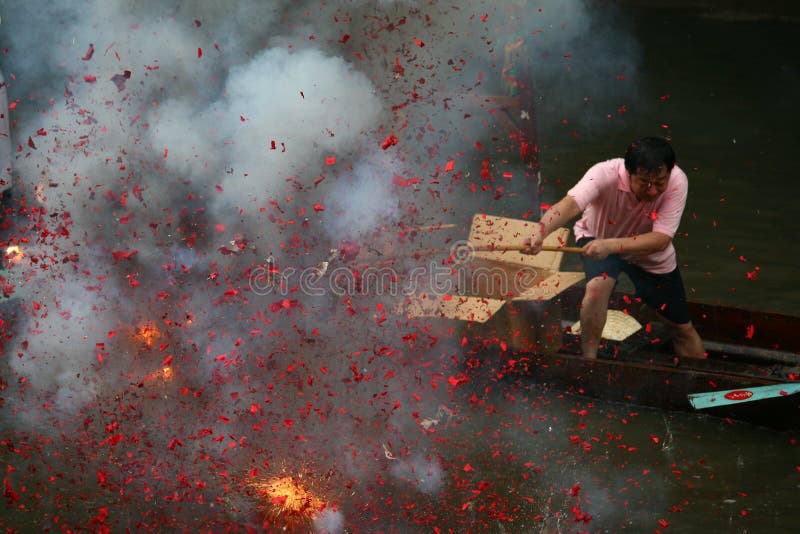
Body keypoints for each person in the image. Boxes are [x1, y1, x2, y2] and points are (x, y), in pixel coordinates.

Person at [523, 136, 704, 361]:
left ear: (669, 172)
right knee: (597, 289)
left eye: (659, 182)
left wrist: (611, 245)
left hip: (647, 251)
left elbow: (661, 239)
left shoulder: (678, 181)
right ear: (627, 173)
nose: (652, 190)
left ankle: (697, 378)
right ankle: (589, 362)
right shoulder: (604, 173)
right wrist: (540, 232)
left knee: (682, 327)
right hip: (596, 239)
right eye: (644, 182)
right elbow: (570, 205)